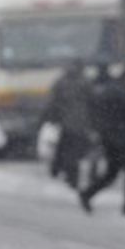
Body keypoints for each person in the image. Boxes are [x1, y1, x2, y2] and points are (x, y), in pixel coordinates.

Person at [80, 63, 125, 215]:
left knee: (112, 173)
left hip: (110, 138)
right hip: (123, 139)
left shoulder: (109, 89)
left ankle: (88, 193)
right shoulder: (122, 91)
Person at [42, 61, 93, 190]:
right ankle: (71, 177)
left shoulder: (61, 82)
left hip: (65, 122)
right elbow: (93, 102)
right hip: (81, 122)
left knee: (65, 148)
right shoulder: (85, 82)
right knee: (74, 151)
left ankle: (59, 169)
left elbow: (53, 102)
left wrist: (52, 117)